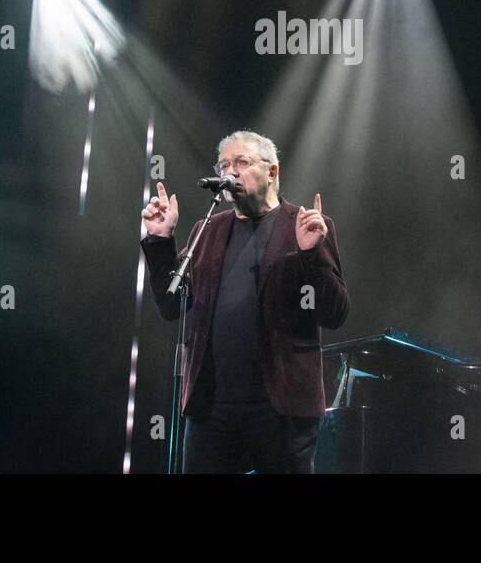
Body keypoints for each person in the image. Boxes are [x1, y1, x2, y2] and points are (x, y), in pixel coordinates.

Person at [139, 130, 348, 473]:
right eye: (223, 165)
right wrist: (161, 242)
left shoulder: (307, 224)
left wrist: (312, 255)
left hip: (281, 407)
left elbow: (335, 312)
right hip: (211, 408)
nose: (229, 173)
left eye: (242, 162)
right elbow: (171, 305)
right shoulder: (206, 230)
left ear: (272, 171)